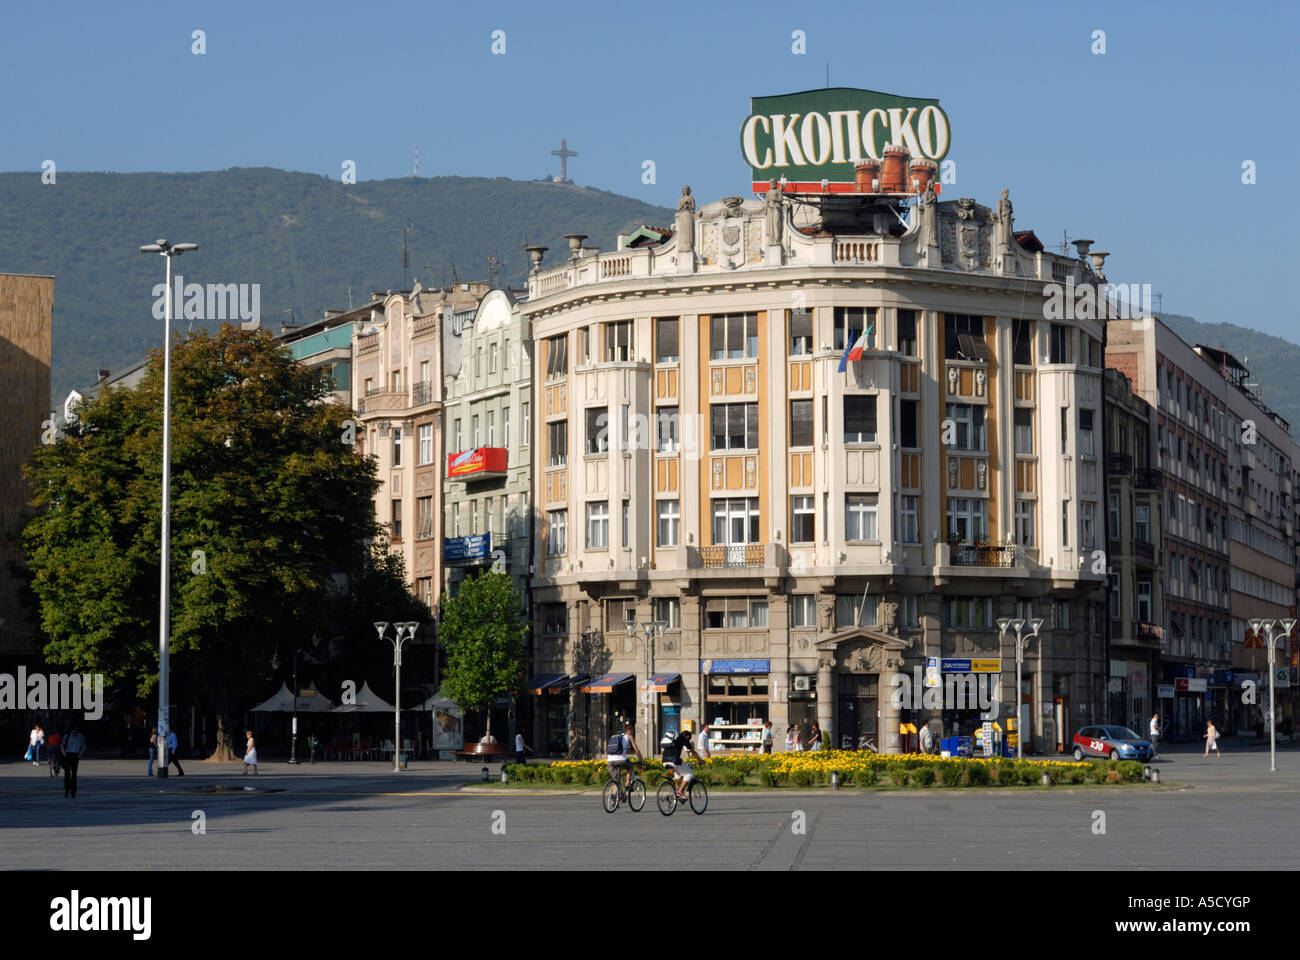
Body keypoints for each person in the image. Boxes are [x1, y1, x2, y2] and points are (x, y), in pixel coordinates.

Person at [661, 728, 702, 800]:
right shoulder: (684, 739)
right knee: (689, 773)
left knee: (678, 773)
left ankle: (677, 789)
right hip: (674, 760)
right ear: (687, 737)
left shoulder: (673, 740)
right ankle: (679, 792)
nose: (689, 740)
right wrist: (700, 760)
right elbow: (693, 752)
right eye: (689, 738)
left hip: (664, 760)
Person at [605, 722, 642, 795]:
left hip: (609, 760)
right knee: (630, 766)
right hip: (620, 759)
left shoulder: (615, 736)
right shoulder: (629, 737)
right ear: (628, 730)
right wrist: (641, 760)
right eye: (632, 730)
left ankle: (613, 801)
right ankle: (627, 783)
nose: (632, 732)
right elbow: (636, 750)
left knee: (616, 780)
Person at [62, 727, 85, 798]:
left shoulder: (81, 737)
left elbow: (83, 747)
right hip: (68, 755)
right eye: (73, 730)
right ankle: (66, 790)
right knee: (67, 774)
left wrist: (79, 756)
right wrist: (64, 754)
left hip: (75, 755)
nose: (74, 731)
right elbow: (62, 746)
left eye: (75, 730)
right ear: (71, 730)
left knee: (74, 774)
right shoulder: (67, 736)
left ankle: (73, 792)